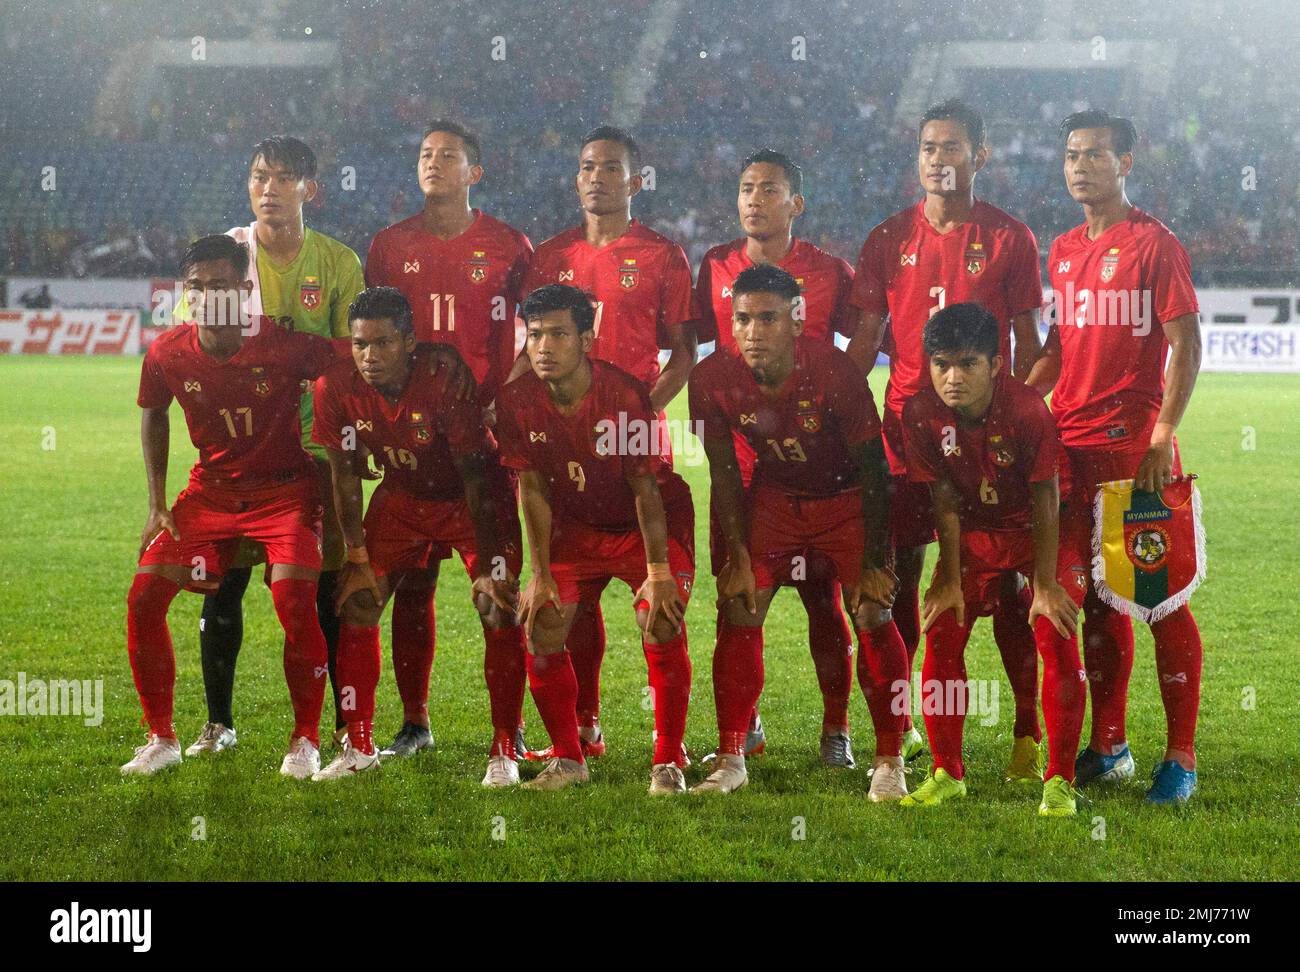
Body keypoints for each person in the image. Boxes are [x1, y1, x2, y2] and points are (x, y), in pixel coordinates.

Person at [845, 99, 1047, 774]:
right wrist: (834, 408)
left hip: (991, 447)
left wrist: (1020, 420)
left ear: (979, 157)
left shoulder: (1012, 238)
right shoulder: (884, 240)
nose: (939, 158)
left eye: (953, 147)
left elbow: (1029, 345)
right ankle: (898, 732)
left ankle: (1026, 731)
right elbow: (865, 344)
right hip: (908, 438)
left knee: (1011, 587)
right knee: (902, 585)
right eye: (929, 147)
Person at [1028, 110, 1204, 805]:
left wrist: (1162, 435)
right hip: (1070, 452)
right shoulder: (1064, 248)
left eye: (1096, 155)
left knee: (1159, 600)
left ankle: (1181, 758)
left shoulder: (1155, 245)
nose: (1080, 167)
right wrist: (1017, 396)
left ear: (1126, 163)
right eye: (1072, 155)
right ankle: (1109, 744)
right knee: (1092, 601)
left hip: (1136, 453)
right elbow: (1058, 347)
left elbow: (1186, 345)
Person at [122, 234, 344, 778]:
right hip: (211, 492)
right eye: (195, 286)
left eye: (218, 285)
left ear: (245, 289)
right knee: (144, 598)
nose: (204, 295)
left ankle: (306, 739)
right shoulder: (167, 352)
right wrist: (156, 501)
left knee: (295, 601)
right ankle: (162, 737)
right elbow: (153, 411)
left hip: (288, 491)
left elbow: (351, 369)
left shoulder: (287, 345)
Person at [688, 265, 908, 799]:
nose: (753, 331)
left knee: (872, 611)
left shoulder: (833, 371)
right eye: (742, 319)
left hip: (847, 501)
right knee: (740, 603)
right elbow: (723, 472)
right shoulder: (711, 379)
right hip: (775, 500)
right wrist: (736, 553)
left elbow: (874, 468)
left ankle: (889, 759)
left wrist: (877, 560)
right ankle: (732, 755)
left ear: (796, 321)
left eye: (768, 318)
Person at [520, 126, 699, 761]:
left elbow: (683, 353)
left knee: (655, 605)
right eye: (587, 165)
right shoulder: (549, 254)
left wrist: (637, 412)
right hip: (566, 453)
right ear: (576, 178)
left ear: (636, 180)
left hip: (632, 450)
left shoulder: (662, 255)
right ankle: (586, 730)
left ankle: (669, 750)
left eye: (612, 167)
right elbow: (531, 344)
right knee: (577, 593)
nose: (597, 176)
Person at [185, 136, 365, 759]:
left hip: (316, 452)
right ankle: (219, 724)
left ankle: (340, 729)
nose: (269, 188)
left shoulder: (339, 262)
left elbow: (348, 363)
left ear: (310, 189)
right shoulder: (227, 257)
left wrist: (347, 442)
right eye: (260, 176)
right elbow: (194, 349)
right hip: (242, 454)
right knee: (224, 585)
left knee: (323, 590)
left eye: (285, 178)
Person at [364, 119, 533, 760]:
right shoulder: (388, 245)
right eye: (426, 154)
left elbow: (533, 330)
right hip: (412, 444)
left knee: (499, 592)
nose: (434, 163)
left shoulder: (508, 243)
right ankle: (414, 723)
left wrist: (499, 402)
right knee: (411, 586)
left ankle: (508, 736)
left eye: (449, 155)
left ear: (475, 172)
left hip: (482, 446)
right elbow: (373, 337)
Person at [311, 287, 525, 785]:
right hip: (404, 496)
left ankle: (504, 745)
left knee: (496, 606)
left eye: (383, 343)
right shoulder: (335, 386)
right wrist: (358, 555)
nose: (370, 356)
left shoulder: (443, 373)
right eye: (360, 344)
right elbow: (343, 475)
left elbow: (475, 473)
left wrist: (492, 569)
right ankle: (359, 743)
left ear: (409, 341)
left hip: (476, 500)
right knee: (359, 600)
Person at [495, 284, 696, 794]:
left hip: (646, 527)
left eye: (559, 334)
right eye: (534, 334)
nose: (543, 347)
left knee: (659, 618)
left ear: (587, 337)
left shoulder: (625, 396)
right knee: (541, 623)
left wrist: (657, 574)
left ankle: (668, 759)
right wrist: (539, 576)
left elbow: (646, 492)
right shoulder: (516, 401)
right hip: (578, 529)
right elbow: (533, 489)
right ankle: (569, 757)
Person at [695, 150, 859, 766]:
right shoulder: (714, 265)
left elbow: (864, 339)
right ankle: (746, 726)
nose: (754, 199)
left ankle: (836, 731)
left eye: (769, 189)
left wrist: (840, 405)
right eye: (745, 188)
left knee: (825, 599)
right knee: (738, 591)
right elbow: (706, 352)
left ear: (797, 203)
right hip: (739, 463)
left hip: (814, 461)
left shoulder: (828, 271)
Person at [900, 302, 1088, 816]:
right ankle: (947, 773)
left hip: (1041, 528)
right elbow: (943, 497)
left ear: (996, 363)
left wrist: (1046, 583)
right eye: (941, 364)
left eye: (967, 364)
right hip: (977, 531)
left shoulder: (1026, 408)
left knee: (1055, 627)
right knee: (941, 625)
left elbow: (1047, 497)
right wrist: (951, 577)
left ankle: (1059, 781)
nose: (952, 377)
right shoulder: (918, 413)